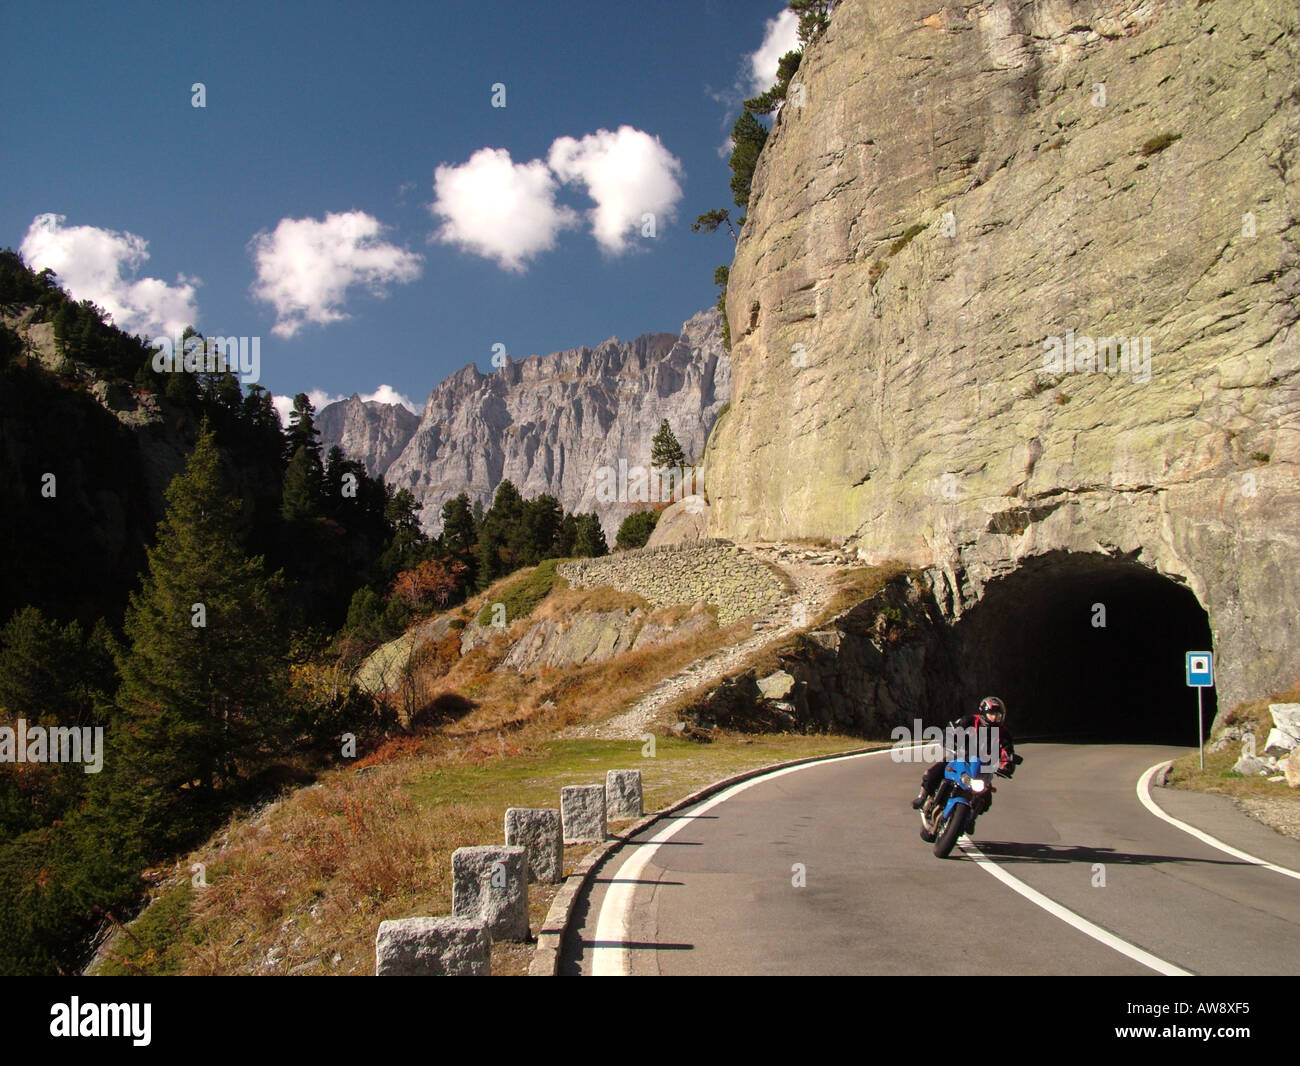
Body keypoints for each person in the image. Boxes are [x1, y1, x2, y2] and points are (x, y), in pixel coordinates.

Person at [911, 696, 1020, 810]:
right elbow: (953, 729)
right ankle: (922, 796)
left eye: (998, 715)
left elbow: (1007, 751)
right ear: (983, 713)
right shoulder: (970, 720)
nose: (994, 718)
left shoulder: (1003, 733)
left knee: (986, 802)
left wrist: (1006, 764)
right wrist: (950, 738)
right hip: (961, 756)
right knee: (934, 772)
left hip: (982, 769)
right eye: (991, 714)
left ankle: (968, 821)